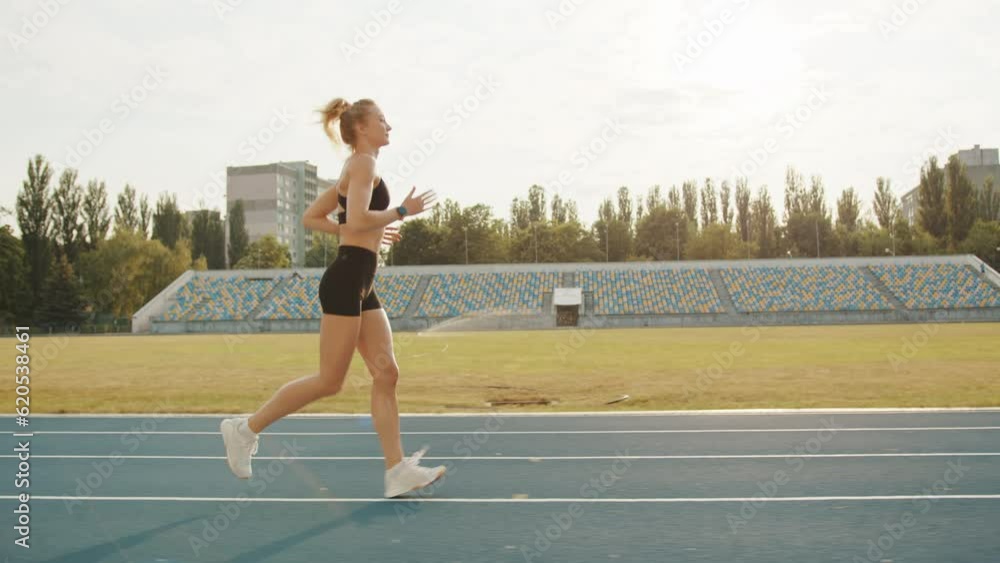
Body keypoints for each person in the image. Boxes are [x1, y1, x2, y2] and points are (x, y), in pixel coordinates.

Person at [220, 98, 444, 498]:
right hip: (346, 279)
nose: (389, 125)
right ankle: (244, 429)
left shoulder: (359, 168)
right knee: (330, 381)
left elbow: (317, 218)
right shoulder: (362, 164)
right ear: (361, 127)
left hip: (362, 280)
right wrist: (400, 212)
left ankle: (397, 471)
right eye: (381, 119)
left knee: (386, 372)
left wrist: (372, 232)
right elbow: (355, 220)